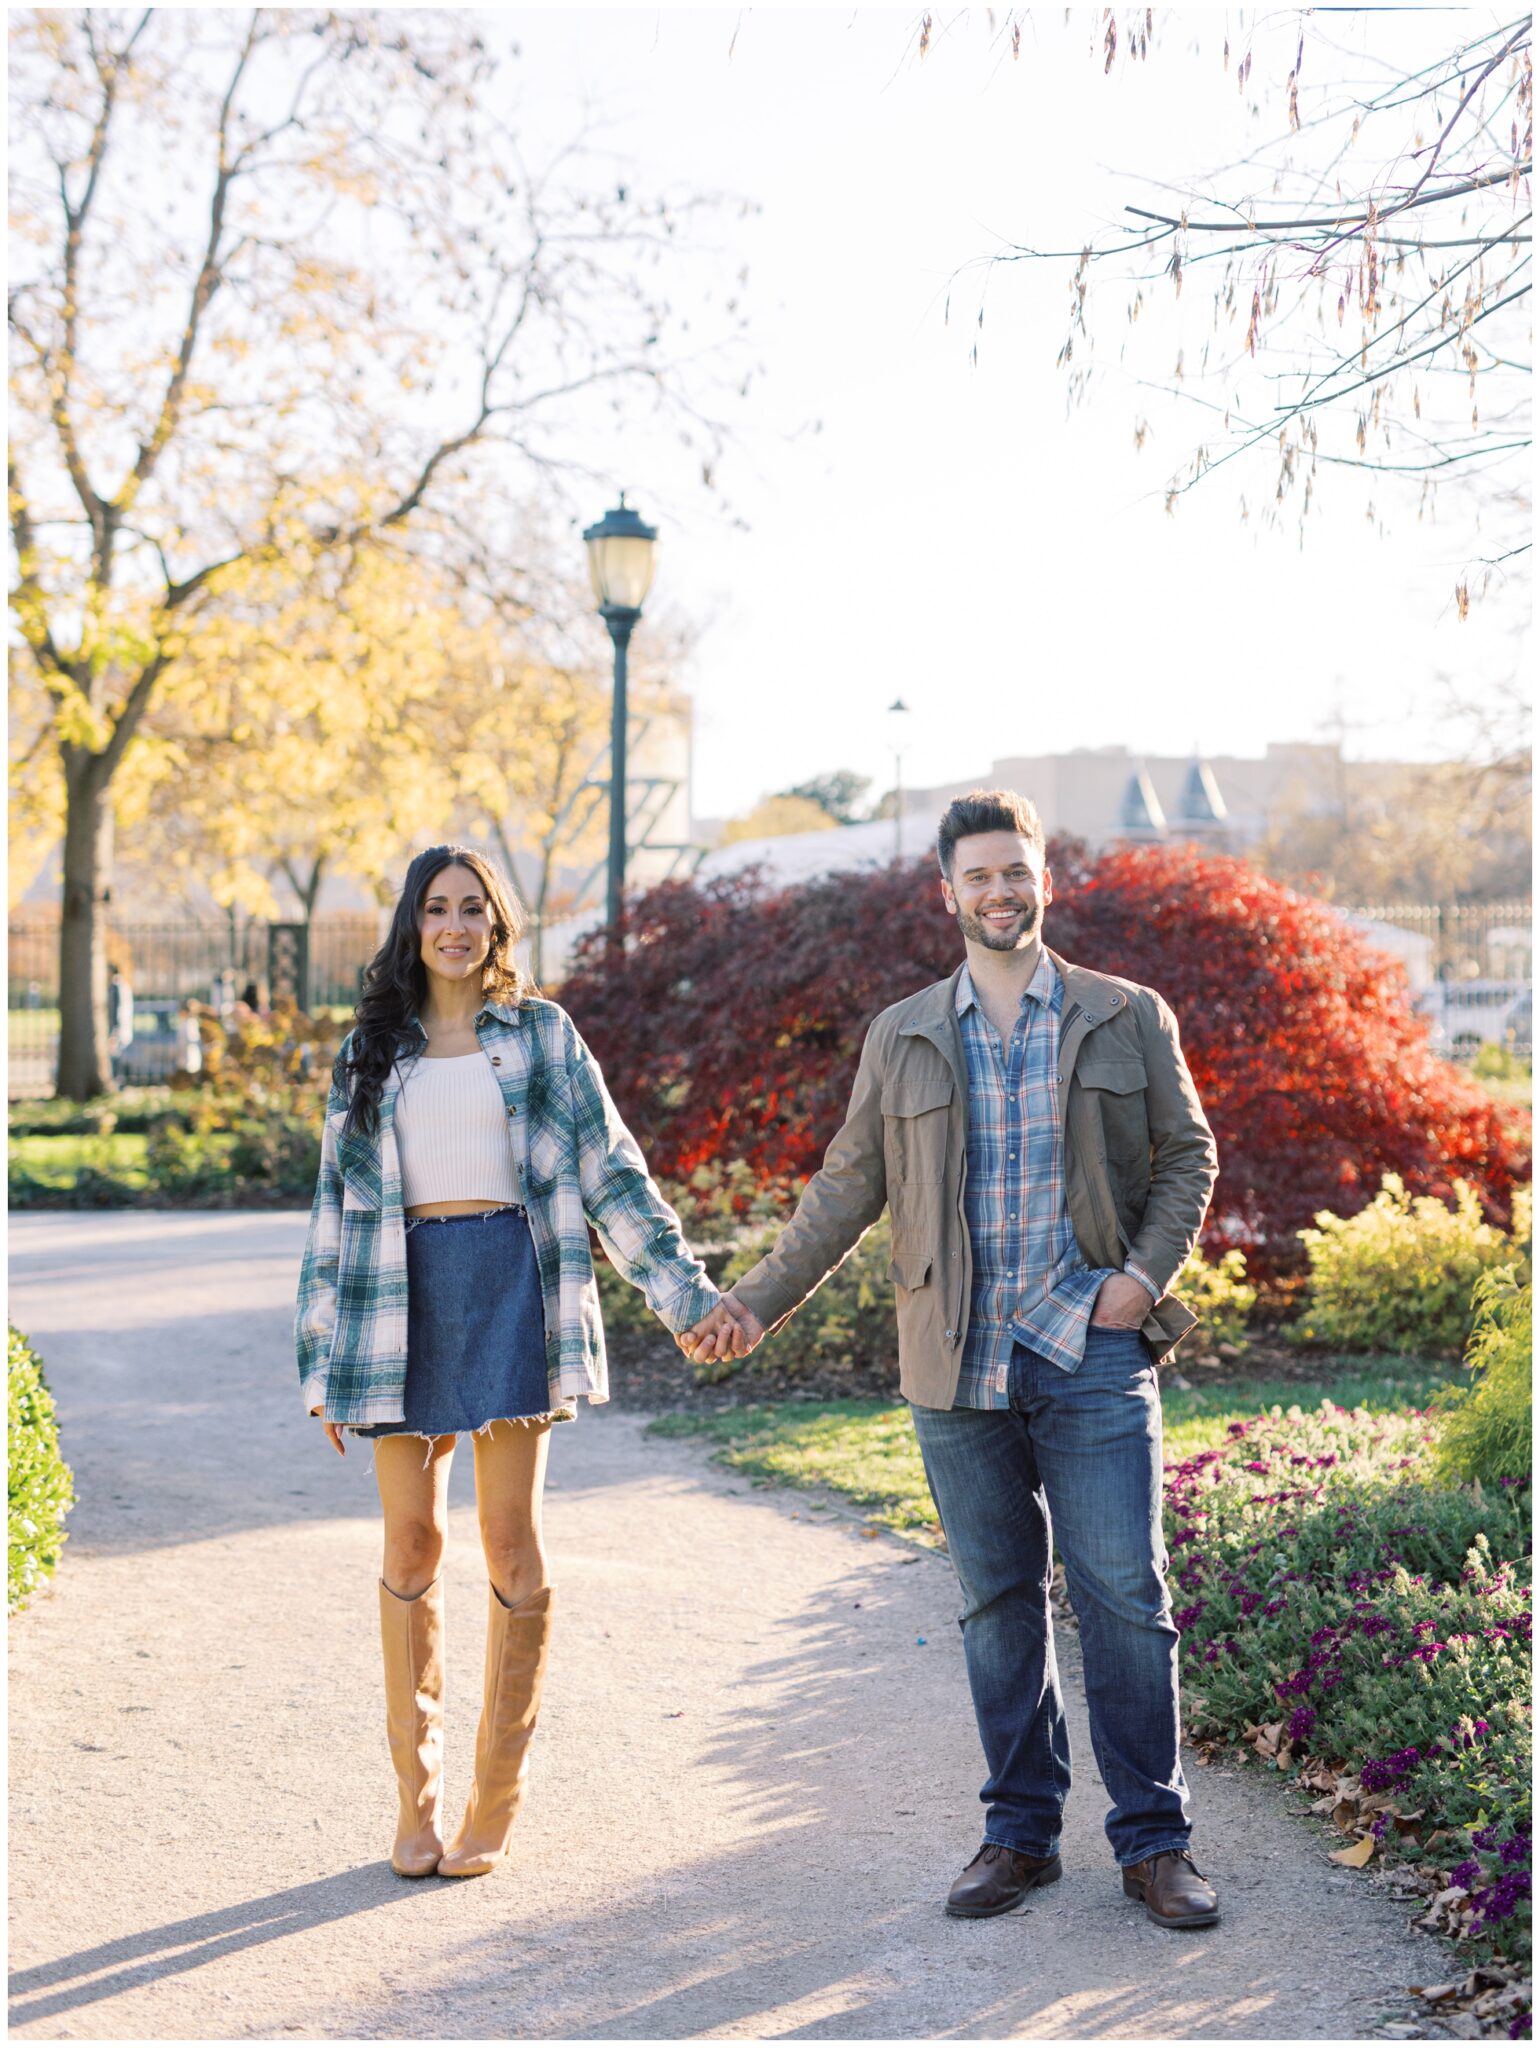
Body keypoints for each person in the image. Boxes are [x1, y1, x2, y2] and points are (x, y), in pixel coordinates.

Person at [688, 789, 1222, 1930]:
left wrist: (1142, 1277)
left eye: (1014, 871)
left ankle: (1154, 1842)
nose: (998, 891)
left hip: (1090, 1343)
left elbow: (1188, 1152)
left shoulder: (1126, 1014)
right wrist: (754, 1303)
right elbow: (846, 1187)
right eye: (976, 876)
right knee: (994, 1602)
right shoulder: (905, 1033)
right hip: (957, 1359)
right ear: (948, 893)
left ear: (1044, 878)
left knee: (1125, 1596)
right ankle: (1020, 1833)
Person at [296, 844, 738, 1880]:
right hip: (395, 1303)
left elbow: (611, 1171)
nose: (454, 925)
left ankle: (492, 1802)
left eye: (473, 909)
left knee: (506, 1542)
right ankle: (414, 1807)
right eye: (436, 908)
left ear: (498, 924)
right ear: (412, 925)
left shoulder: (541, 1036)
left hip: (510, 1288)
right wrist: (323, 1362)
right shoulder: (368, 1049)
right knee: (409, 1545)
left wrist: (683, 1294)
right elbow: (330, 1210)